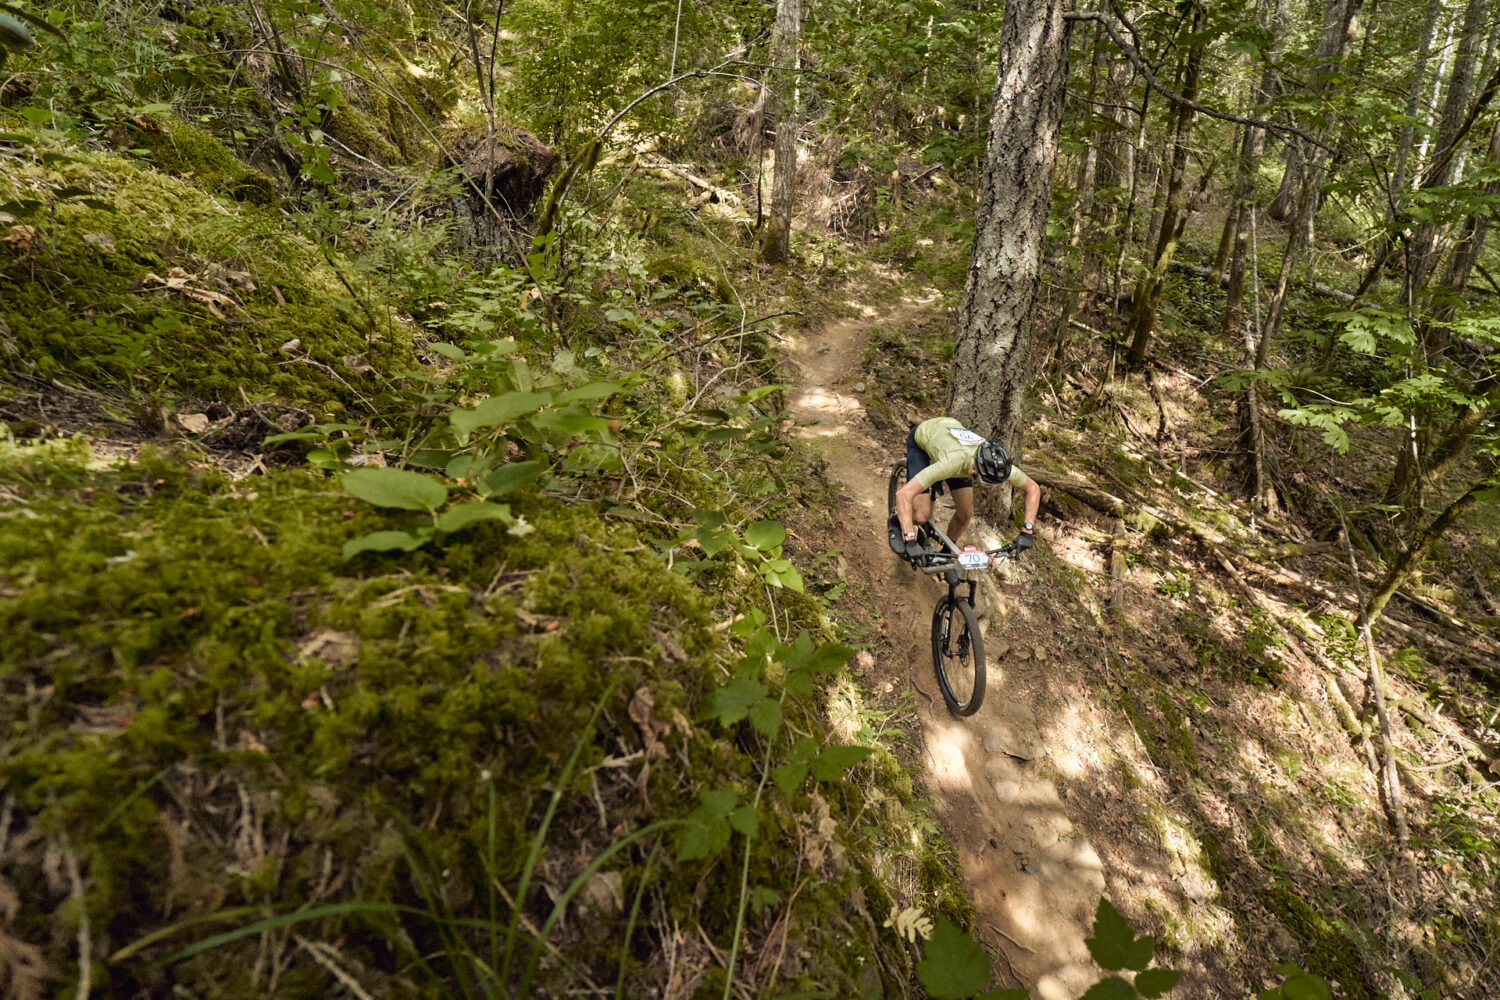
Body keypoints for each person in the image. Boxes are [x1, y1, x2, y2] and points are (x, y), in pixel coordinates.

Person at [892, 417, 1040, 561]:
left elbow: (1033, 488)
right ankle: (895, 521)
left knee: (966, 513)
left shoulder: (998, 466)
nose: (990, 490)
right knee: (920, 516)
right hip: (924, 440)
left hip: (952, 438)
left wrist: (1027, 531)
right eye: (987, 484)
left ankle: (946, 553)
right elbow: (903, 495)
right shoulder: (952, 462)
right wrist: (910, 539)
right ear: (974, 469)